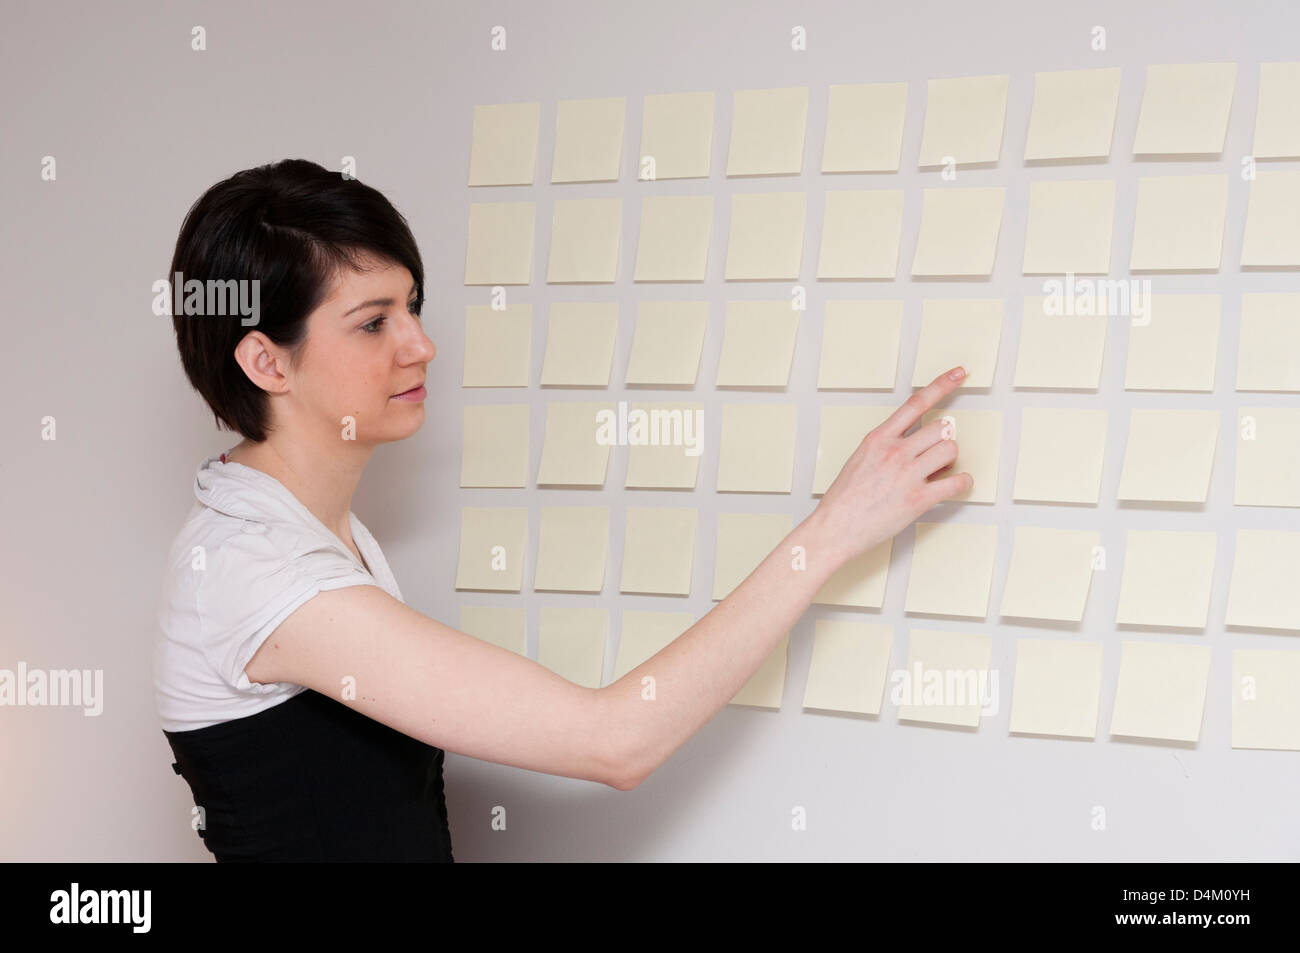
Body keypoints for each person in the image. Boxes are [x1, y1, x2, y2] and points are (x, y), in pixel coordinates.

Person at [154, 157, 972, 863]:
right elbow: (615, 741)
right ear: (266, 360)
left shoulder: (318, 530)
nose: (421, 344)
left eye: (414, 305)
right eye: (373, 322)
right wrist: (833, 531)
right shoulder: (253, 568)